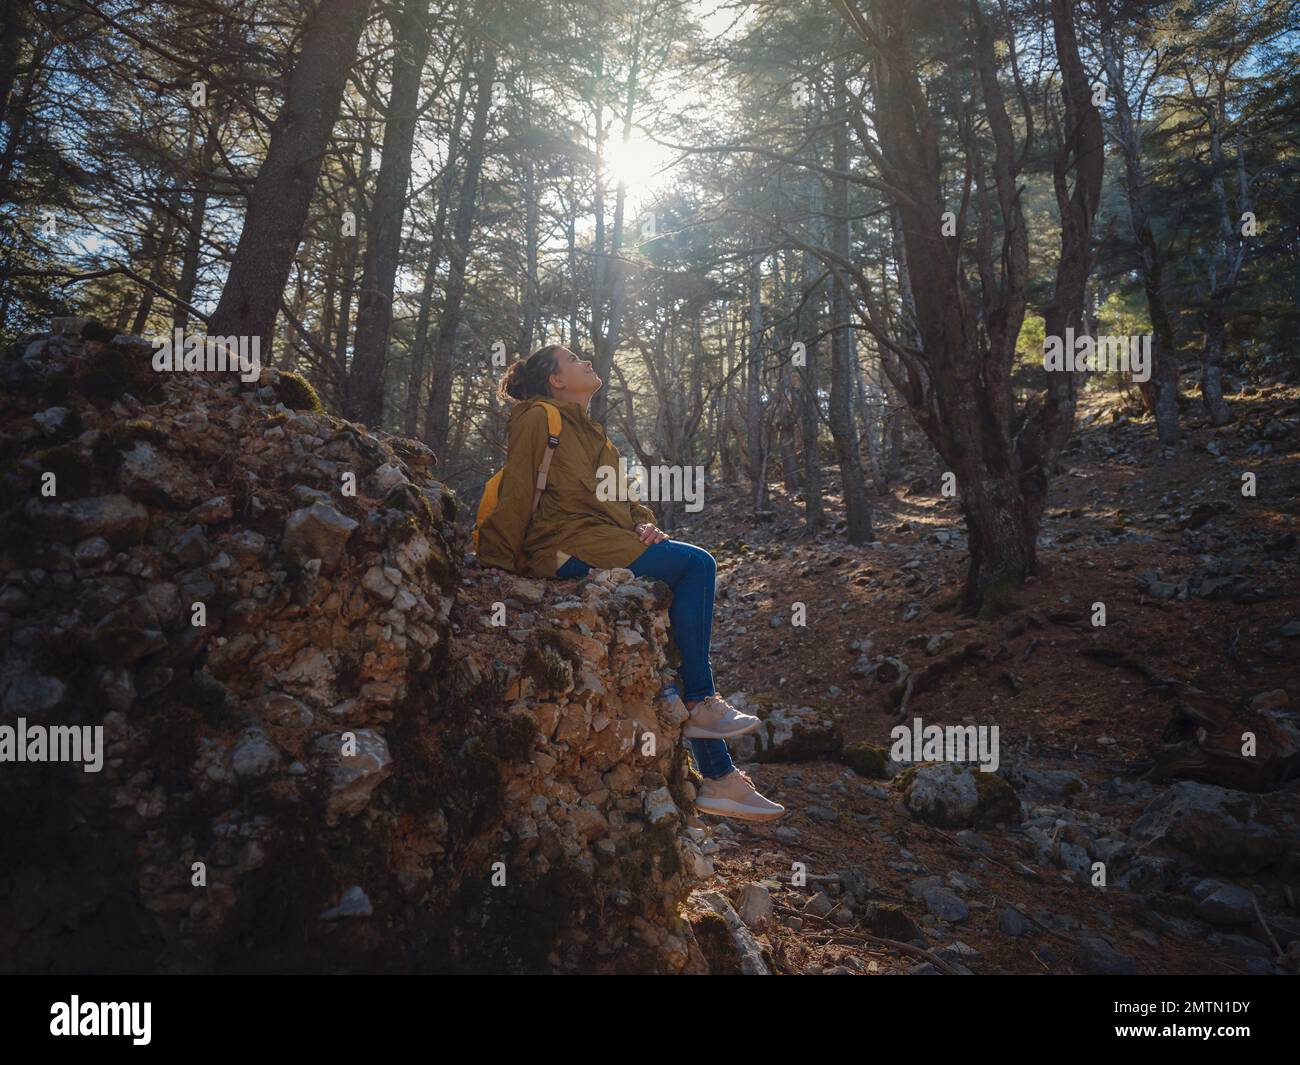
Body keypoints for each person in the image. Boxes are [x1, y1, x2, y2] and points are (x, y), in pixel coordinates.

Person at [476, 343, 785, 821]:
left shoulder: (596, 435)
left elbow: (622, 502)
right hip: (562, 547)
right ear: (556, 380)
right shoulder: (538, 418)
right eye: (573, 359)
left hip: (603, 539)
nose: (585, 361)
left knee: (673, 629)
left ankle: (720, 778)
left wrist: (645, 526)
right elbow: (517, 493)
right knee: (698, 565)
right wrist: (492, 570)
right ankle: (703, 704)